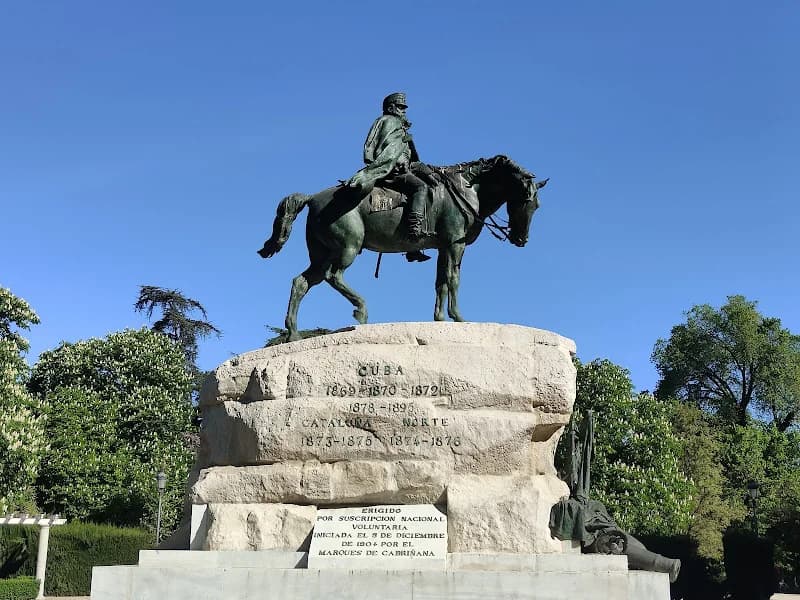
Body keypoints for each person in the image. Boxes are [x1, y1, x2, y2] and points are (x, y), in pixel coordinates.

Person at [348, 92, 434, 262]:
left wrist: (423, 168)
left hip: (402, 170)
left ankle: (414, 248)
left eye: (404, 108)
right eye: (400, 107)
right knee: (421, 187)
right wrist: (397, 163)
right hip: (391, 172)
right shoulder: (389, 121)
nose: (403, 111)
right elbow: (384, 151)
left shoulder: (400, 128)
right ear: (390, 108)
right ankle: (414, 231)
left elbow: (407, 156)